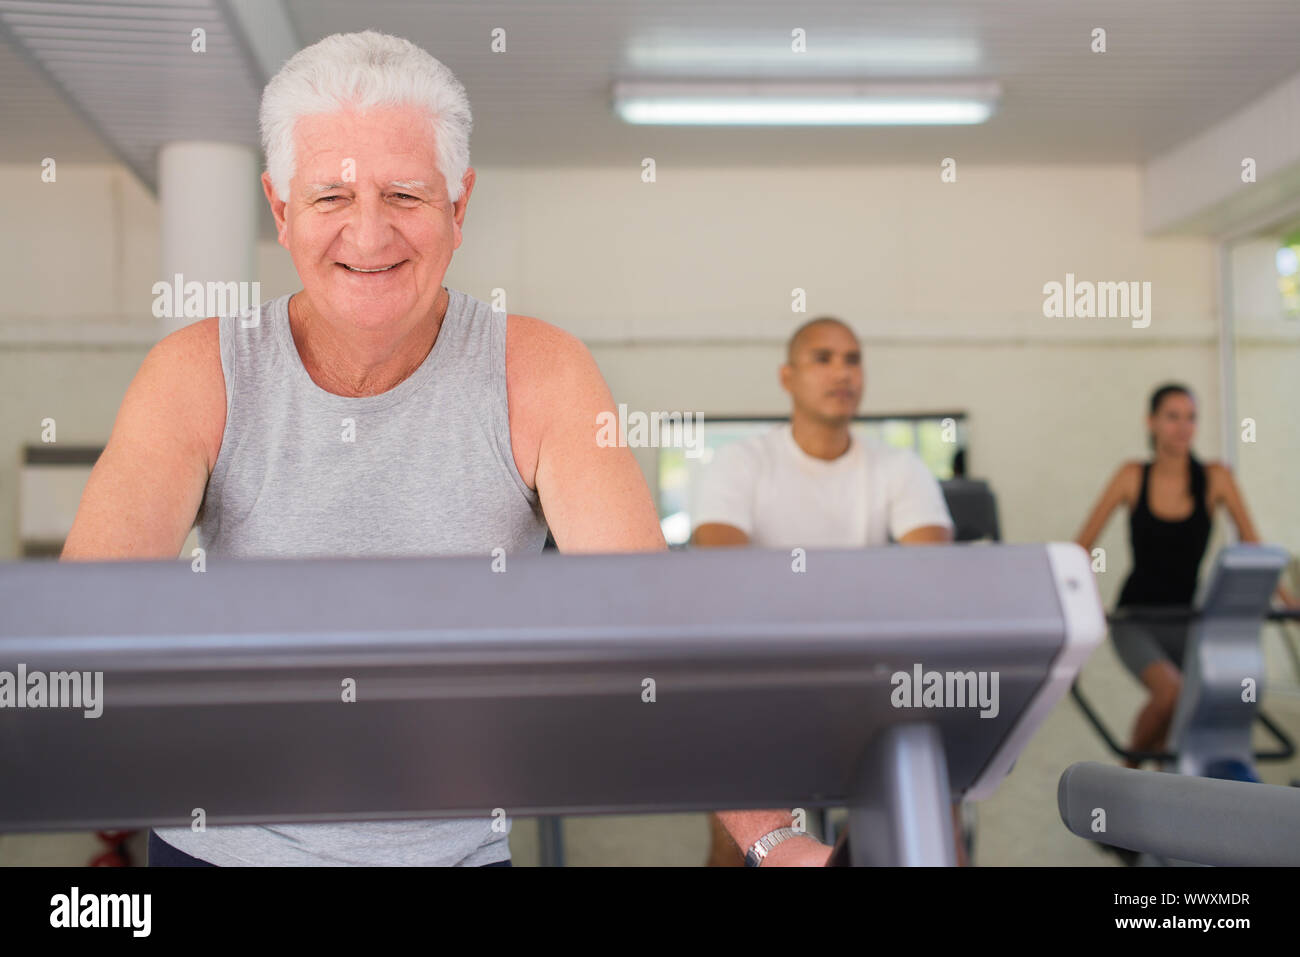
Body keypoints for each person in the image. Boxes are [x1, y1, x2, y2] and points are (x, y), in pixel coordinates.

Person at [59, 30, 679, 867]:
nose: (369, 233)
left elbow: (652, 627)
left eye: (404, 195)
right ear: (280, 211)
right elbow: (87, 613)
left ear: (459, 207)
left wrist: (777, 840)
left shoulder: (542, 374)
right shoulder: (197, 374)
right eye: (330, 198)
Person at [692, 316, 957, 866]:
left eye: (853, 359)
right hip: (763, 679)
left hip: (870, 680)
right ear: (787, 377)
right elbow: (719, 574)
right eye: (824, 358)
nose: (843, 372)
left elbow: (931, 574)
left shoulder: (898, 467)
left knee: (935, 803)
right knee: (737, 832)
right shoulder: (741, 464)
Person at [1073, 383, 1297, 769]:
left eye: (1191, 417)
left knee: (1185, 721)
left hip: (1189, 620)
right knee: (1171, 694)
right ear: (1152, 423)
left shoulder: (1216, 478)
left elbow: (1252, 545)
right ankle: (1126, 778)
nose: (1183, 427)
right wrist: (1084, 603)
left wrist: (1290, 604)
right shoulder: (1131, 476)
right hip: (1135, 620)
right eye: (1172, 417)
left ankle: (1159, 792)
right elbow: (1080, 549)